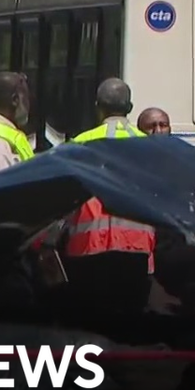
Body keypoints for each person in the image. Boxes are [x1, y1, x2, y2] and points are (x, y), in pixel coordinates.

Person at [54, 78, 155, 316]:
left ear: (98, 107)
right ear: (130, 108)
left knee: (92, 321)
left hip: (88, 248)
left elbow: (64, 200)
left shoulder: (80, 144)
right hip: (137, 248)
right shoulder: (149, 147)